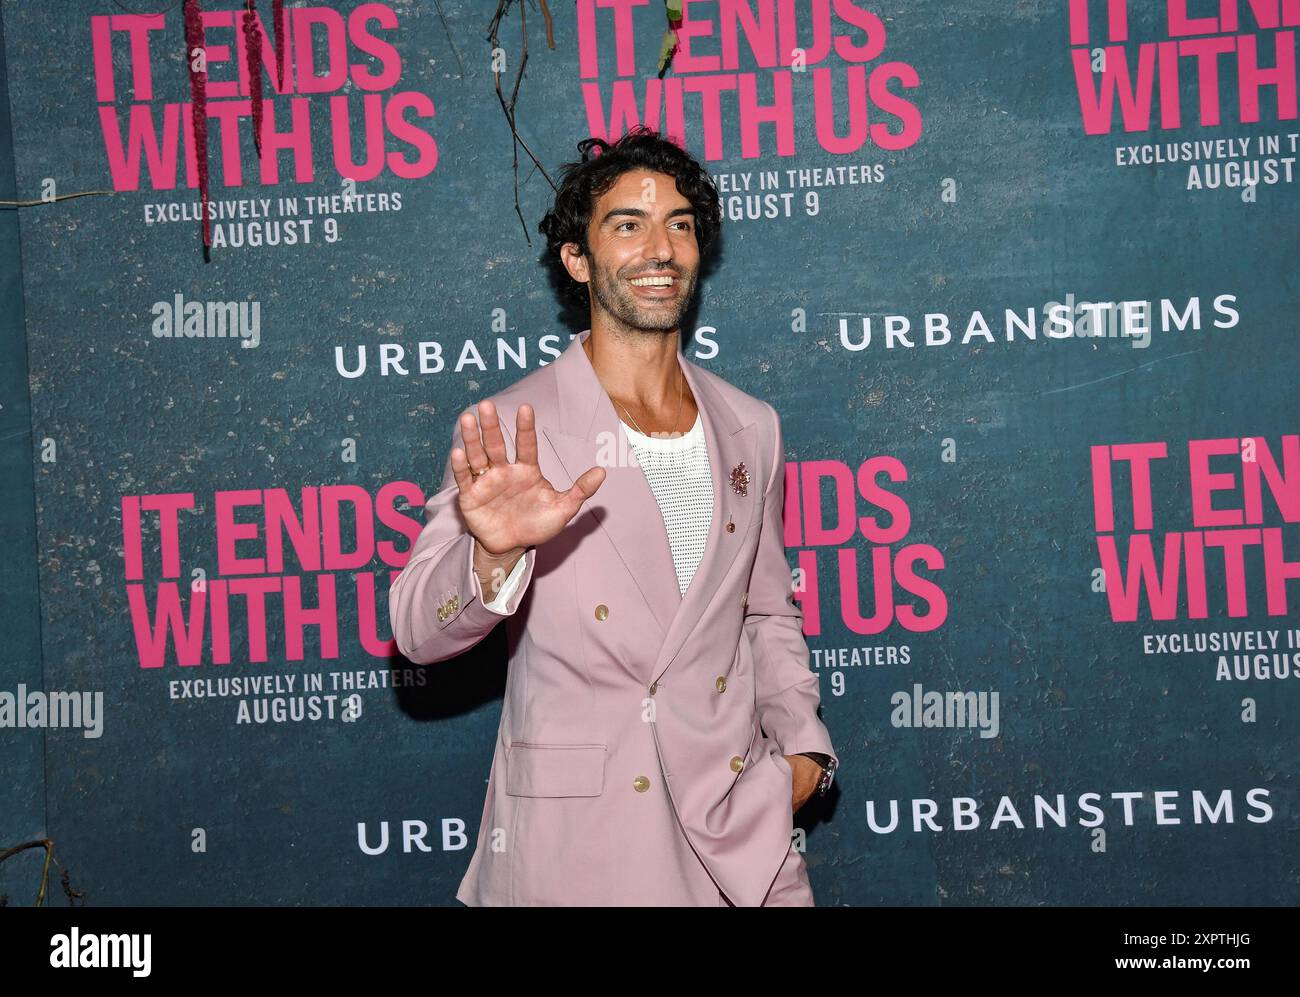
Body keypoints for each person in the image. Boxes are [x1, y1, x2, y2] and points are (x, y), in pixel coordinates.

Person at [388, 126, 838, 906]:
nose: (659, 248)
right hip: (577, 847)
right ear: (577, 258)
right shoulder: (514, 423)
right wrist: (492, 559)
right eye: (627, 224)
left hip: (736, 833)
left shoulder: (750, 425)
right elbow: (417, 629)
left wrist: (803, 749)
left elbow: (766, 610)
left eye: (681, 224)